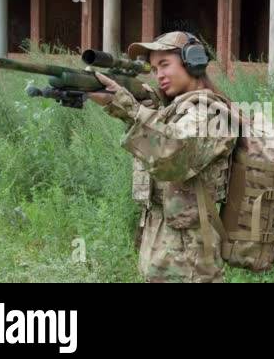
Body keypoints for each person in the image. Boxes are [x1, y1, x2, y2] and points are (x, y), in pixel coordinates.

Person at [89, 31, 236, 283]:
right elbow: (161, 127)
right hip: (163, 258)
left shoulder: (210, 113)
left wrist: (129, 109)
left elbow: (172, 157)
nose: (159, 75)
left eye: (165, 64)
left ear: (193, 61)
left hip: (191, 266)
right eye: (155, 68)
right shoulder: (174, 110)